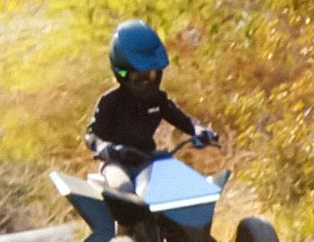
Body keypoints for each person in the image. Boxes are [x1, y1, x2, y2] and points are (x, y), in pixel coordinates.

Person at [84, 20, 217, 192]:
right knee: (122, 188)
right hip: (116, 164)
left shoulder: (158, 100)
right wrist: (104, 148)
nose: (145, 81)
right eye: (137, 76)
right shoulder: (110, 101)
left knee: (164, 188)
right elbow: (91, 134)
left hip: (147, 161)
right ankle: (125, 220)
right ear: (122, 74)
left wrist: (200, 131)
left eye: (151, 74)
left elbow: (184, 121)